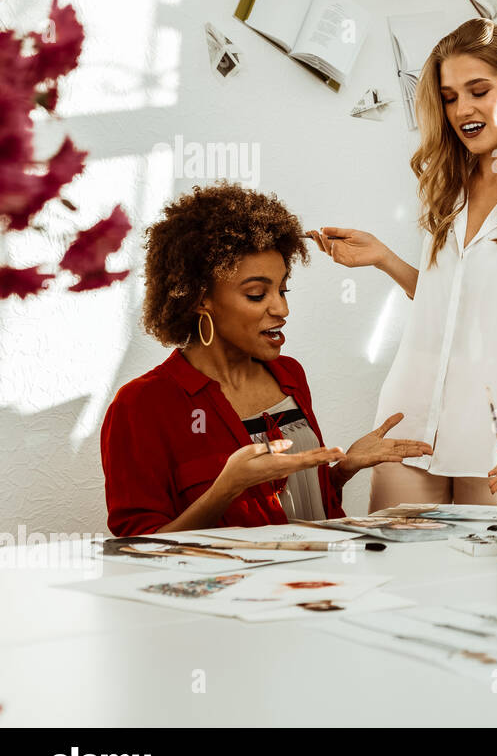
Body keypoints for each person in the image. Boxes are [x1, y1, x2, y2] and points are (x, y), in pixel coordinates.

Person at [311, 18, 497, 507]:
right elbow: (448, 301)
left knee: (496, 558)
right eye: (450, 97)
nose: (462, 110)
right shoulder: (447, 183)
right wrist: (384, 258)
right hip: (410, 416)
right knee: (392, 555)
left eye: (478, 90)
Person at [101, 183, 432, 536]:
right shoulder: (142, 405)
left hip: (322, 568)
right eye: (257, 294)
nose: (282, 309)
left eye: (283, 289)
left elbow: (300, 504)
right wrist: (226, 490)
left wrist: (343, 469)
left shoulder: (289, 375)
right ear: (200, 298)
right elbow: (138, 549)